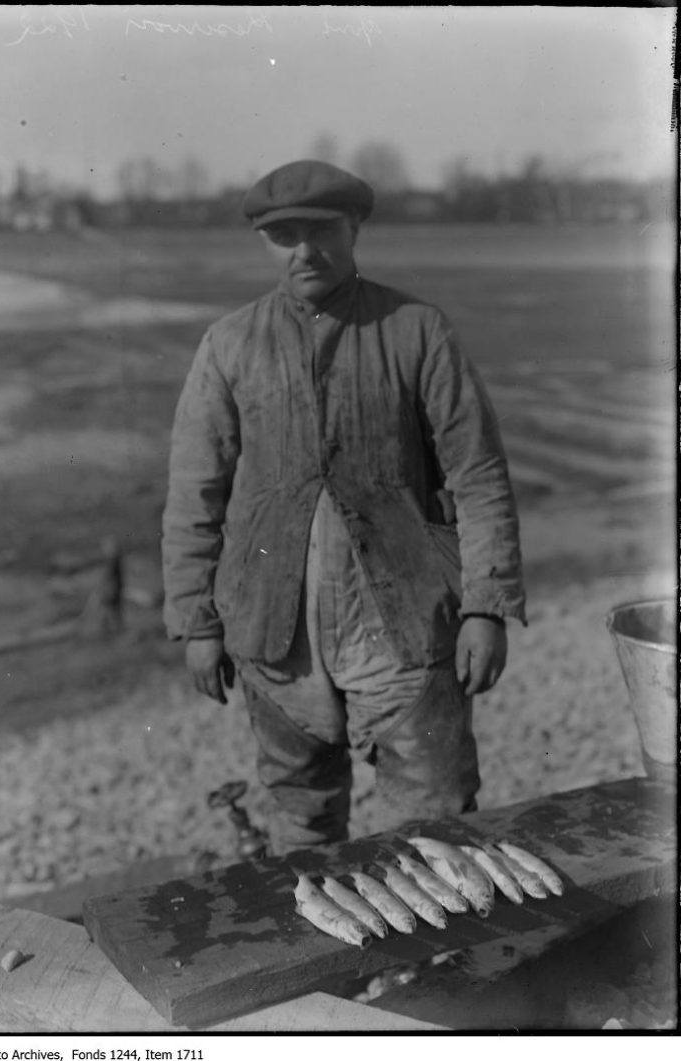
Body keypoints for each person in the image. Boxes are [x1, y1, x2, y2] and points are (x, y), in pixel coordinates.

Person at [162, 159, 526, 855]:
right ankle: (326, 958)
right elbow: (193, 495)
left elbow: (478, 473)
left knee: (436, 817)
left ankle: (429, 963)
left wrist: (487, 605)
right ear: (264, 243)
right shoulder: (230, 344)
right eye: (283, 234)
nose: (304, 250)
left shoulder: (419, 330)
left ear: (354, 226)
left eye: (322, 229)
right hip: (273, 625)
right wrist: (196, 620)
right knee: (301, 815)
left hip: (407, 622)